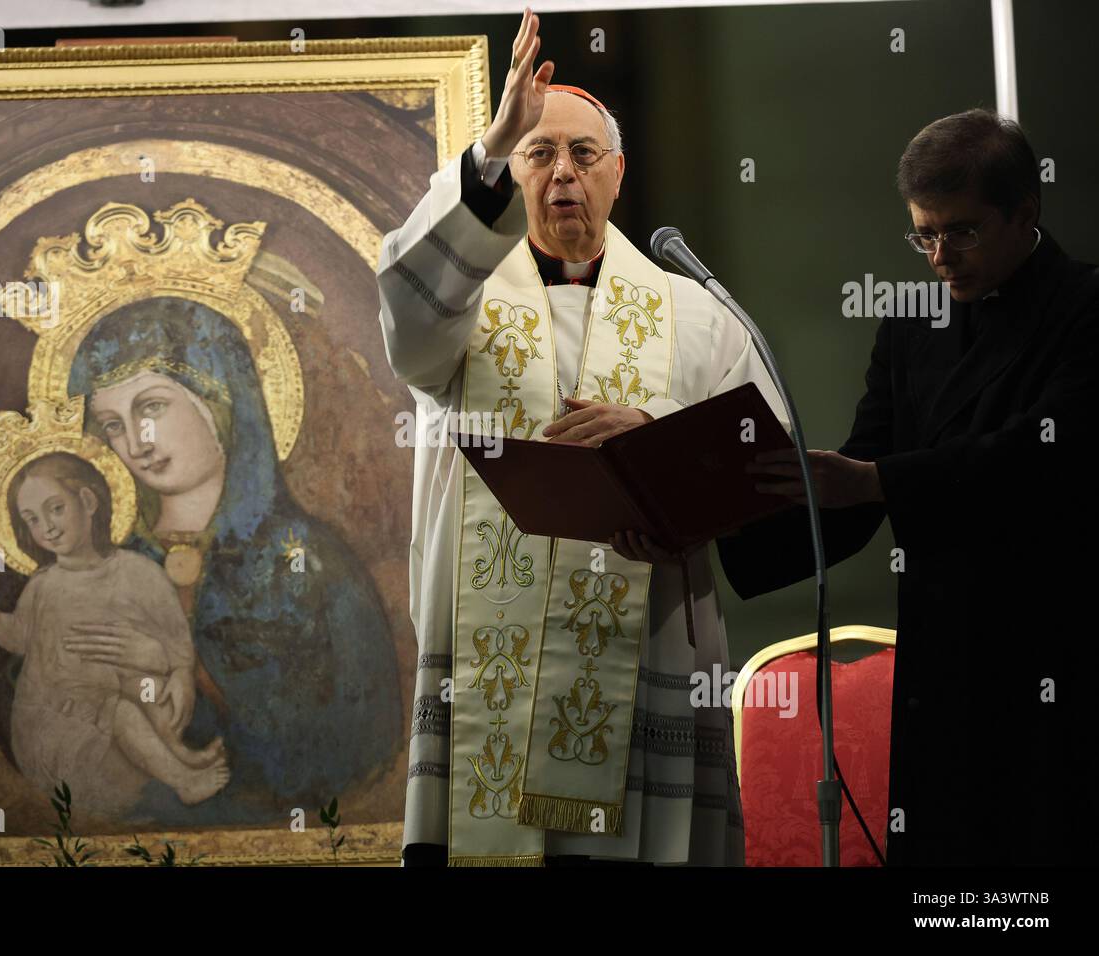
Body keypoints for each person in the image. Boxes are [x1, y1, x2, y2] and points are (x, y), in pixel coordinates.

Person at [378, 7, 787, 866]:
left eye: (584, 155)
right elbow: (405, 305)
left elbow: (768, 473)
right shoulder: (459, 307)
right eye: (538, 154)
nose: (562, 174)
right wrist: (490, 145)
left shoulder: (698, 315)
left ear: (618, 174)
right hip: (499, 682)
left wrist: (660, 449)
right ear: (511, 173)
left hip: (649, 666)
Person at [718, 109, 1099, 865]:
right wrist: (714, 520)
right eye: (922, 235)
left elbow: (1040, 458)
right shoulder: (911, 326)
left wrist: (875, 480)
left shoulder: (1084, 307)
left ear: (1024, 213)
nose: (938, 258)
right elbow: (859, 488)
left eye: (960, 232)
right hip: (945, 674)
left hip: (1053, 657)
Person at [67, 295, 403, 827]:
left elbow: (359, 739)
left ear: (220, 400)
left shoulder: (310, 561)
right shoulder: (105, 567)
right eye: (111, 425)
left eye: (152, 407)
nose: (135, 442)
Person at [0, 451, 229, 815]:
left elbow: (177, 644)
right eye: (32, 519)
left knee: (140, 684)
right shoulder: (43, 586)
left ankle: (179, 754)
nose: (47, 527)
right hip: (56, 727)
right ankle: (183, 781)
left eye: (55, 509)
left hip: (117, 717)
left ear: (87, 501)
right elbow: (19, 639)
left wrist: (179, 674)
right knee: (120, 710)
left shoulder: (140, 573)